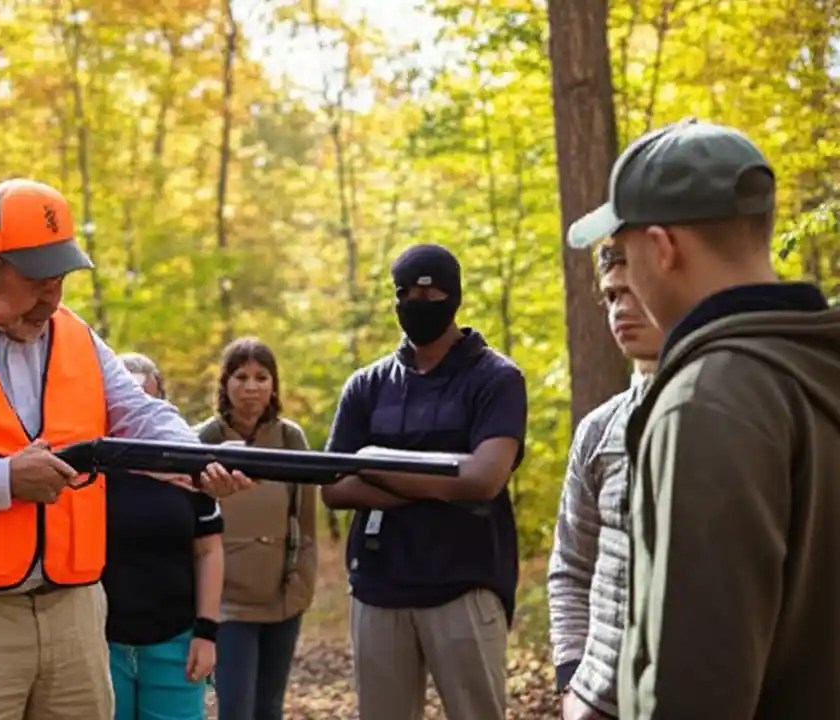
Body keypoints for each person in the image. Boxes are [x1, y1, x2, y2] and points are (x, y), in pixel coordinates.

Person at [0, 178, 252, 720]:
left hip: (75, 612)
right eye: (36, 280)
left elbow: (141, 415)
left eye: (59, 279)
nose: (52, 297)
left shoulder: (75, 335)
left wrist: (195, 460)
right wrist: (5, 480)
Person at [566, 118, 840, 718]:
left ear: (662, 248)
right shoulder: (813, 367)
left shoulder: (705, 402)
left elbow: (695, 685)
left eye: (626, 255)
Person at [320, 243, 527, 720]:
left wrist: (372, 462)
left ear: (453, 296)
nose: (417, 302)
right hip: (377, 588)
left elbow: (485, 479)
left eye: (430, 293)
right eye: (405, 293)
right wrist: (439, 481)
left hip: (466, 584)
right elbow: (333, 486)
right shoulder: (367, 385)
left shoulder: (496, 378)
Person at [547, 241, 663, 720]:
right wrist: (572, 683)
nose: (621, 308)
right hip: (600, 701)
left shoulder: (724, 409)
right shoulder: (598, 431)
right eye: (612, 296)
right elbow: (571, 568)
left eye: (633, 291)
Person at [194, 337, 317, 720]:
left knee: (269, 708)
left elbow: (306, 521)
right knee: (236, 709)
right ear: (225, 383)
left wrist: (301, 582)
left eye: (261, 377)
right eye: (241, 377)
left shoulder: (290, 438)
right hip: (227, 603)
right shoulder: (204, 439)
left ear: (274, 385)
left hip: (281, 596)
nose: (251, 387)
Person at [104, 352, 223, 720]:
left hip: (175, 640)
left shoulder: (189, 470)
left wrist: (206, 633)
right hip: (102, 642)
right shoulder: (89, 470)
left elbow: (209, 551)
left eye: (146, 399)